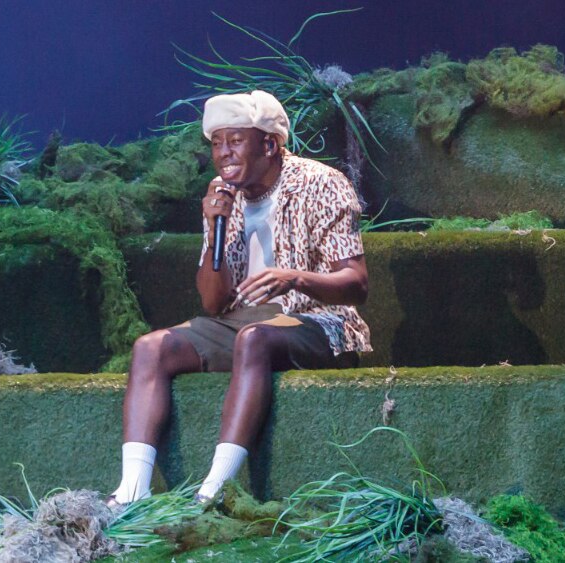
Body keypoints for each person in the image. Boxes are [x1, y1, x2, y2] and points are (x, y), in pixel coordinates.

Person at [108, 90, 372, 506]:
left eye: (235, 141)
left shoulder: (321, 183)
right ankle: (131, 492)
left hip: (321, 320)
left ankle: (215, 490)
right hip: (245, 319)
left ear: (268, 145)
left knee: (254, 338)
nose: (223, 154)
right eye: (216, 143)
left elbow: (356, 284)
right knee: (150, 348)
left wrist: (294, 278)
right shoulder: (221, 195)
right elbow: (214, 305)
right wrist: (215, 224)